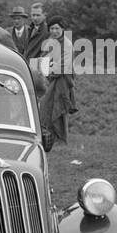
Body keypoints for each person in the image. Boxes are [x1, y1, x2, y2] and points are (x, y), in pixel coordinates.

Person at [38, 18, 76, 152]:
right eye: (52, 29)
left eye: (57, 29)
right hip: (49, 79)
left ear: (62, 29)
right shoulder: (48, 42)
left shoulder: (67, 44)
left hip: (61, 81)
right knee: (46, 107)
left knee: (59, 108)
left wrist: (50, 69)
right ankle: (49, 138)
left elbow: (63, 66)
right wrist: (46, 68)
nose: (54, 31)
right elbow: (43, 60)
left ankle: (61, 139)